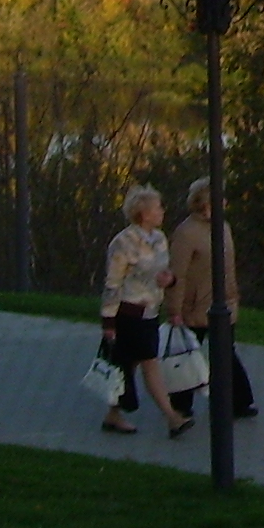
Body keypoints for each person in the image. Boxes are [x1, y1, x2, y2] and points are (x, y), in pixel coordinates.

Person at [98, 184, 193, 438]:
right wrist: (108, 321)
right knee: (149, 362)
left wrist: (169, 279)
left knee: (127, 366)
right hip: (129, 312)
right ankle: (172, 417)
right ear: (145, 213)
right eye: (158, 207)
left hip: (151, 310)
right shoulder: (124, 242)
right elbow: (112, 283)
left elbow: (165, 271)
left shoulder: (160, 239)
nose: (162, 211)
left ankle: (113, 414)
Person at [168, 176, 258, 421]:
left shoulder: (223, 227)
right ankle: (180, 405)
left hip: (224, 302)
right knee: (186, 355)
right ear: (205, 202)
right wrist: (175, 309)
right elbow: (178, 273)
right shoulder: (186, 233)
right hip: (194, 305)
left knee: (225, 353)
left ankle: (239, 402)